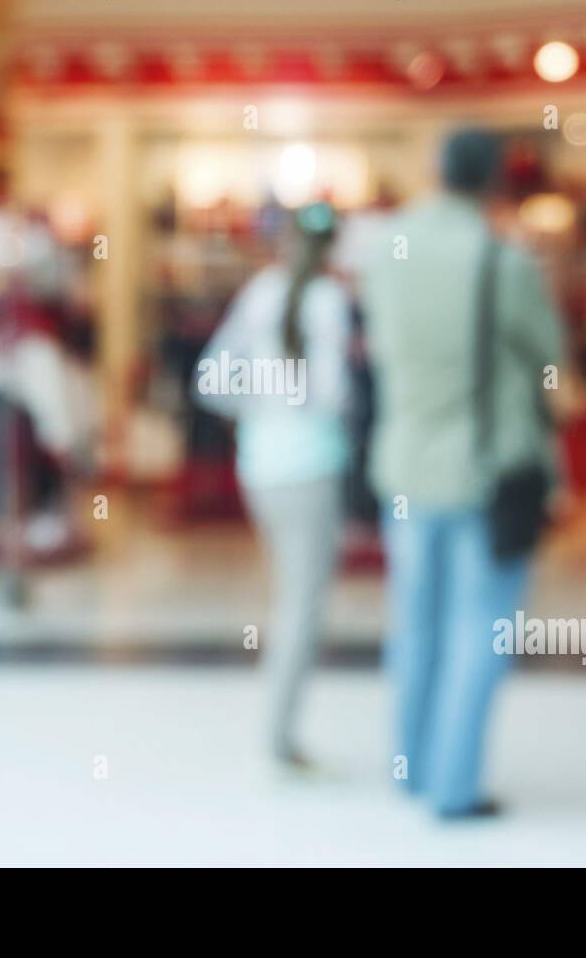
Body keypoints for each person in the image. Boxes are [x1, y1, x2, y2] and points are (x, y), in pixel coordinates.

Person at [361, 130, 563, 818]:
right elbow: (550, 351)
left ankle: (411, 765)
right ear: (496, 182)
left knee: (414, 622)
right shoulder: (501, 261)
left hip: (406, 462)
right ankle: (453, 785)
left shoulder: (384, 248)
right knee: (482, 625)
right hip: (485, 465)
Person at [193, 202, 351, 767]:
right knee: (302, 606)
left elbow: (210, 380)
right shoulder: (328, 301)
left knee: (290, 598)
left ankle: (281, 735)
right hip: (310, 467)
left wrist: (260, 408)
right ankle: (279, 741)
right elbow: (333, 395)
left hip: (261, 464)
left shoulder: (262, 291)